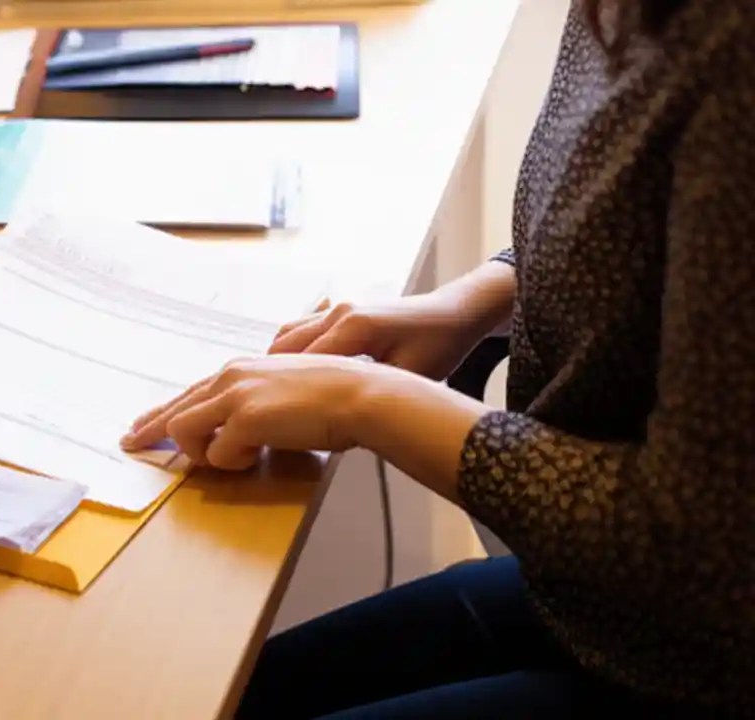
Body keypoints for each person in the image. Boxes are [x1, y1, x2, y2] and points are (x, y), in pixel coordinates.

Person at [121, 0, 753, 715]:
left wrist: (362, 401)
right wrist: (467, 303)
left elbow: (695, 546)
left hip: (702, 657)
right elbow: (645, 233)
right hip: (599, 602)